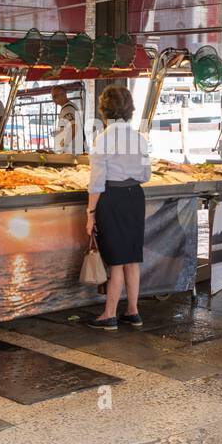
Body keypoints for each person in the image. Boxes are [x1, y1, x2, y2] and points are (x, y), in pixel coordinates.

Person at [85, 86, 151, 331]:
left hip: (112, 198)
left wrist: (90, 213)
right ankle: (133, 312)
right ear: (129, 109)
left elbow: (97, 182)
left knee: (115, 261)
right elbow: (146, 174)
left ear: (104, 110)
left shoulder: (103, 139)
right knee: (132, 259)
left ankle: (109, 314)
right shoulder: (140, 139)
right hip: (135, 198)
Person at [51, 85, 82, 154]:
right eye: (53, 97)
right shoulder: (71, 106)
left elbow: (74, 127)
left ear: (63, 95)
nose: (53, 99)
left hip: (72, 150)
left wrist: (65, 145)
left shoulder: (67, 109)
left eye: (55, 96)